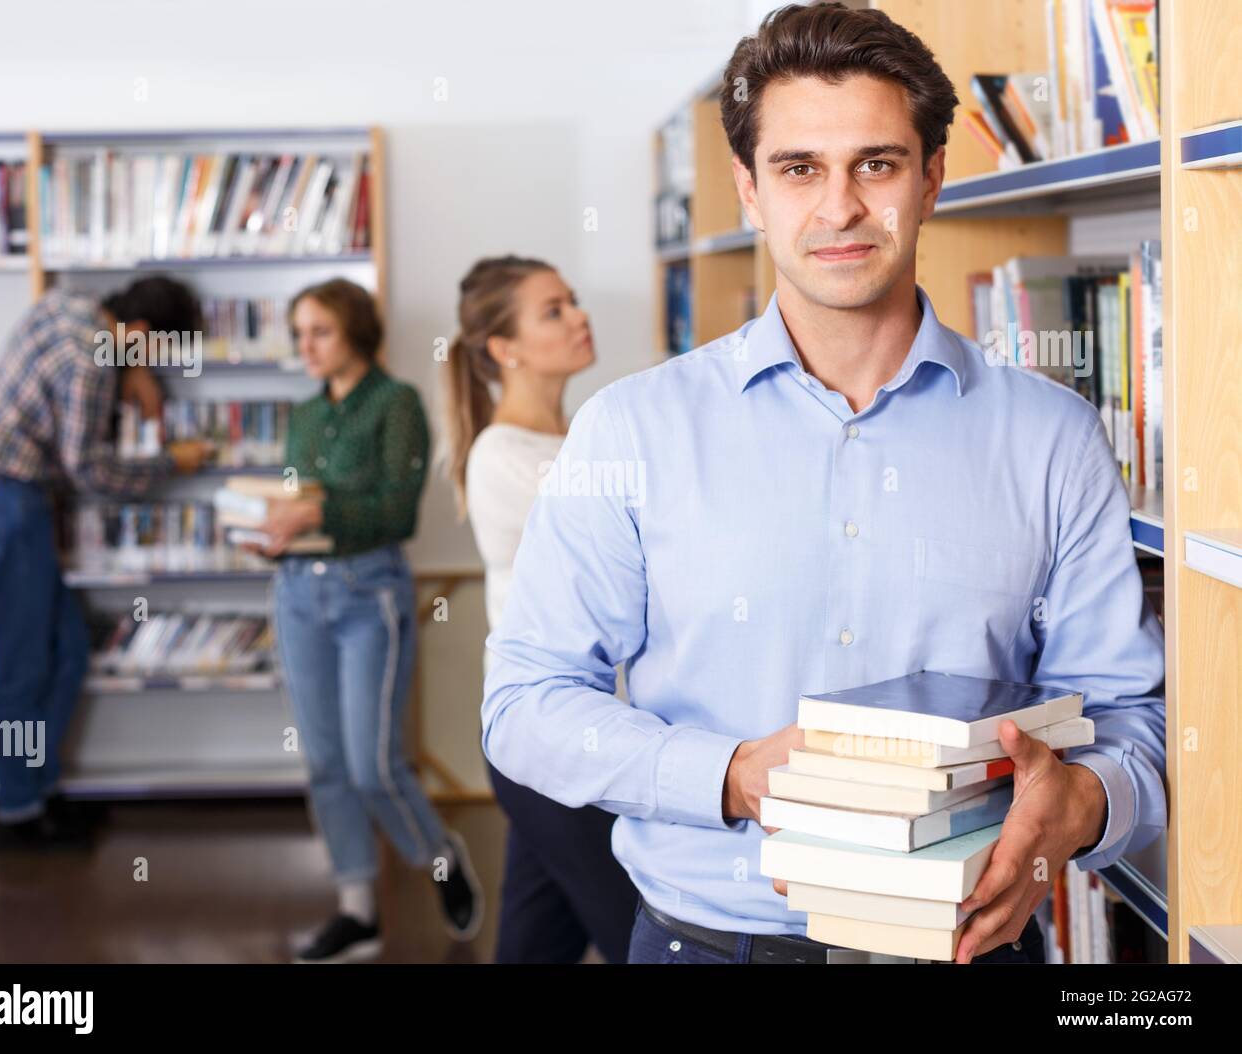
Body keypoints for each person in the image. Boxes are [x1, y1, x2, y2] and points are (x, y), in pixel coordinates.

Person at [481, 2, 1166, 965]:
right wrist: (727, 775)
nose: (838, 207)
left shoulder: (1052, 438)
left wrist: (1083, 802)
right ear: (749, 191)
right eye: (799, 168)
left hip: (968, 949)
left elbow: (1129, 717)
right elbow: (526, 702)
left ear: (932, 177)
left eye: (876, 165)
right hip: (704, 946)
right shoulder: (633, 429)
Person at [257, 277, 481, 964]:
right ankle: (357, 911)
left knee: (372, 764)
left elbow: (397, 513)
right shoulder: (302, 413)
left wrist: (317, 513)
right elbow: (297, 501)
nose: (307, 346)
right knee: (324, 762)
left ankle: (440, 856)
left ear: (355, 330)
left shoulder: (397, 404)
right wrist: (271, 528)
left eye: (320, 331)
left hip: (367, 594)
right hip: (297, 591)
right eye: (299, 333)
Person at [0, 276, 210, 851]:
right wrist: (171, 461)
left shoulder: (69, 304)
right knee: (25, 662)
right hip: (7, 502)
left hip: (5, 499)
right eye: (158, 353)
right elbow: (89, 470)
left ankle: (40, 792)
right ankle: (17, 813)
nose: (159, 369)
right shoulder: (94, 360)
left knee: (66, 648)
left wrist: (135, 369)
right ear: (140, 333)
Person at [443, 256, 639, 963]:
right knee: (641, 937)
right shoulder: (503, 455)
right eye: (552, 310)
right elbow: (623, 573)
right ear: (505, 349)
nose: (578, 316)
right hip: (558, 733)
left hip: (568, 732)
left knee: (536, 939)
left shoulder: (581, 437)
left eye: (574, 300)